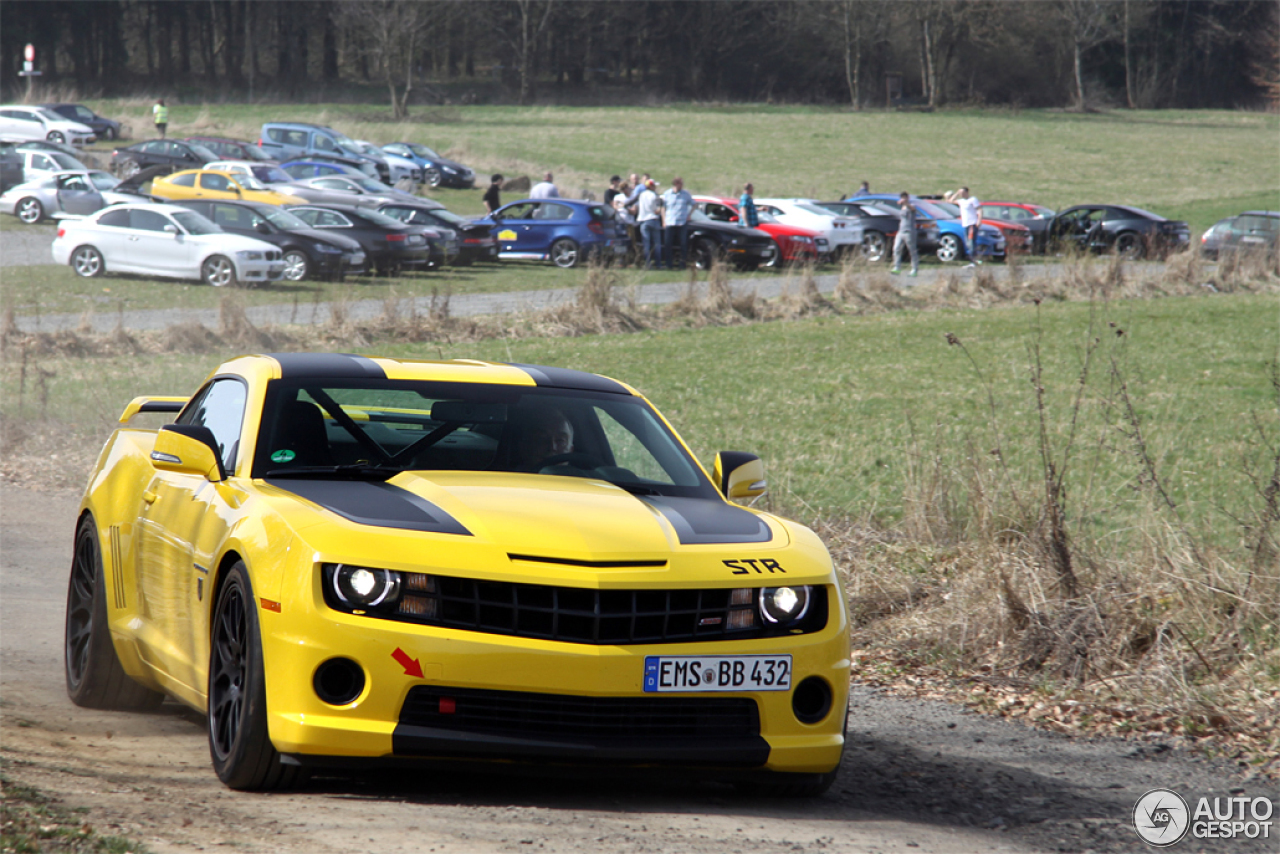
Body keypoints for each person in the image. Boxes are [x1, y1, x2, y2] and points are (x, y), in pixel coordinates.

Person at [515, 406, 574, 471]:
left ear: (571, 450)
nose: (552, 447)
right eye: (542, 439)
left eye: (560, 440)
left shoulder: (581, 479)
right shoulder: (510, 479)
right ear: (524, 447)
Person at [660, 176, 694, 270]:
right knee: (668, 244)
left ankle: (682, 264)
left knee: (683, 244)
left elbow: (694, 204)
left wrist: (689, 215)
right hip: (670, 222)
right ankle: (669, 264)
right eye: (681, 183)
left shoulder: (686, 194)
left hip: (681, 222)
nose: (682, 185)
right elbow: (663, 208)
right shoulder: (667, 194)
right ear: (676, 184)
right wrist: (664, 220)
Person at [946, 186, 982, 266]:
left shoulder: (972, 199)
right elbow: (950, 201)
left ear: (966, 192)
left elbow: (979, 209)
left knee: (971, 242)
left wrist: (979, 220)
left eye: (962, 192)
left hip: (972, 223)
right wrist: (956, 193)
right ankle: (974, 259)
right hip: (965, 224)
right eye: (960, 193)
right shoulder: (961, 201)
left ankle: (973, 261)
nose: (961, 194)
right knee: (967, 243)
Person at [636, 178, 663, 270]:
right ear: (651, 186)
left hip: (643, 220)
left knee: (646, 244)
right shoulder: (654, 195)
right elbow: (656, 211)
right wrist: (660, 208)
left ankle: (647, 264)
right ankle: (658, 264)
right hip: (653, 219)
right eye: (654, 185)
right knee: (657, 244)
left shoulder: (641, 195)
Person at [890, 191, 919, 277]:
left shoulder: (911, 206)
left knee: (912, 251)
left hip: (909, 231)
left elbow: (913, 209)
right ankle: (897, 267)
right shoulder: (902, 208)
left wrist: (906, 203)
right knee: (896, 249)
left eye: (905, 197)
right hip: (901, 231)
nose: (903, 199)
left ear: (907, 198)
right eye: (902, 197)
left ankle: (914, 269)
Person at [612, 181, 639, 264]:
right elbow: (614, 206)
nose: (624, 191)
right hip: (620, 223)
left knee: (630, 243)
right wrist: (619, 206)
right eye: (622, 189)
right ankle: (620, 261)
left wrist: (626, 208)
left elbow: (634, 211)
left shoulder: (633, 198)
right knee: (620, 243)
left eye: (625, 188)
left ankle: (631, 261)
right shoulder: (618, 197)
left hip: (629, 223)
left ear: (628, 187)